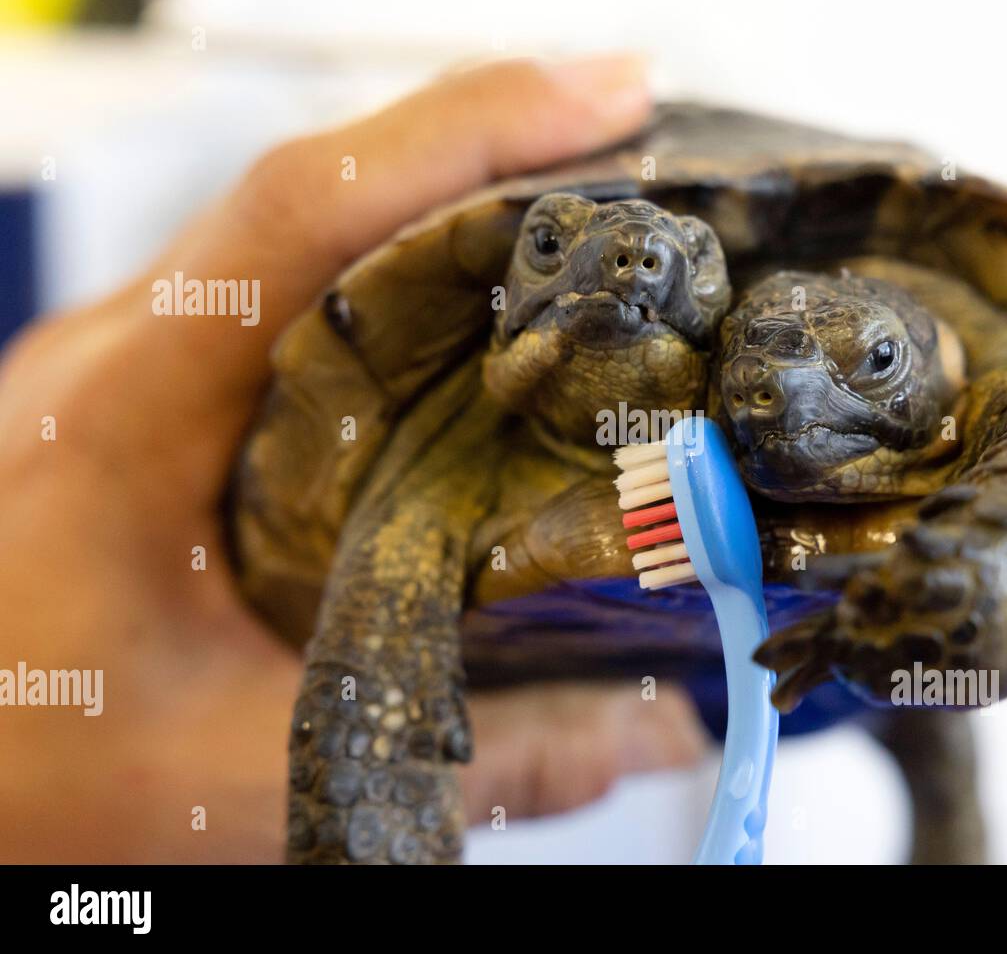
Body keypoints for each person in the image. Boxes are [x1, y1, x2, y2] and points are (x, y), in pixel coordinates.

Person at [0, 56, 707, 863]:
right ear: (501, 300)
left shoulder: (792, 353)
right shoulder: (426, 479)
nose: (634, 260)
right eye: (550, 246)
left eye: (687, 256)